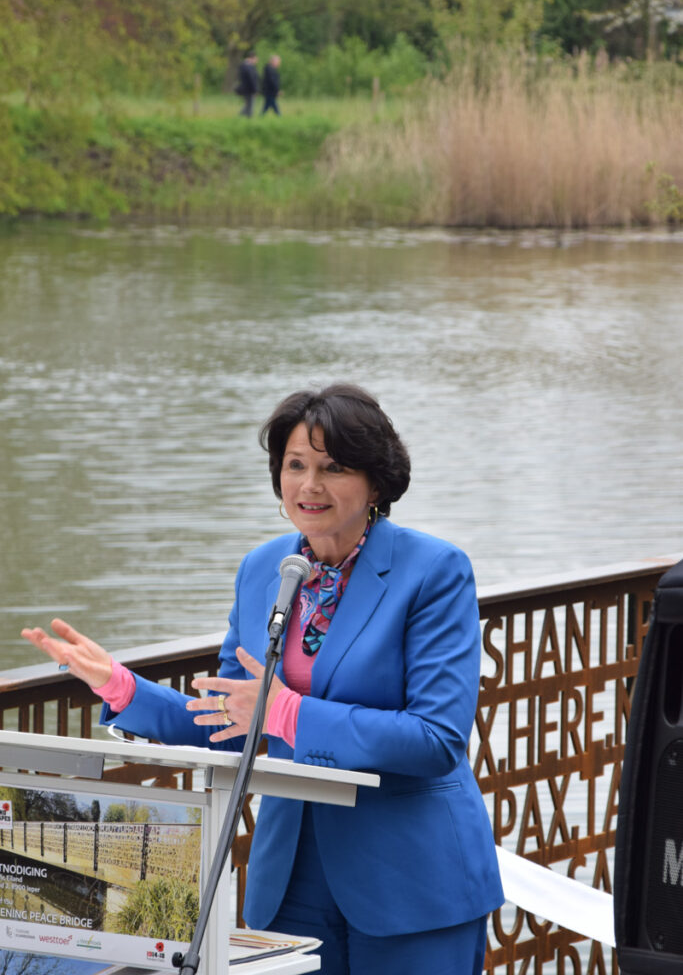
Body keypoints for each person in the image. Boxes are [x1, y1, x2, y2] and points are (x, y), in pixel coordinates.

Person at [21, 383, 503, 975]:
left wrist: (288, 715)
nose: (310, 486)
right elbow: (231, 721)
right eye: (295, 465)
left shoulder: (434, 571)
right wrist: (122, 688)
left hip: (411, 876)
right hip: (292, 874)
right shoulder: (263, 570)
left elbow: (435, 740)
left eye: (333, 467)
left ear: (376, 482)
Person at [236, 51, 259, 117]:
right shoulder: (248, 67)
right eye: (256, 60)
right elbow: (251, 80)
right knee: (250, 106)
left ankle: (240, 118)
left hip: (247, 89)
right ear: (252, 58)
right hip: (249, 90)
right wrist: (255, 90)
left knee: (248, 105)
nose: (256, 62)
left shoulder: (244, 65)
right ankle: (247, 120)